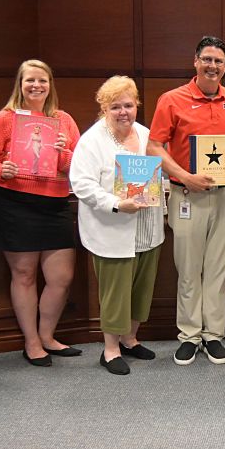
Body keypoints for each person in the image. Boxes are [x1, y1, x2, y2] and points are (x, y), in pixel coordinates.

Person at [147, 36, 225, 366]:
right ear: (195, 61)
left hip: (224, 197)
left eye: (218, 61)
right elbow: (154, 147)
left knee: (217, 267)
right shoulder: (172, 100)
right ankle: (189, 335)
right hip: (186, 193)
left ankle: (213, 334)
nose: (212, 66)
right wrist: (185, 176)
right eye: (207, 59)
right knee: (188, 269)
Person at [0, 60, 81, 366]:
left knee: (61, 277)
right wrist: (0, 169)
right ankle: (32, 341)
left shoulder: (64, 121)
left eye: (42, 81)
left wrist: (64, 151)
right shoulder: (2, 120)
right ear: (20, 85)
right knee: (23, 275)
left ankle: (48, 335)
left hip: (54, 204)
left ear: (51, 85)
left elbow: (74, 164)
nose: (36, 86)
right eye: (30, 81)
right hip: (14, 203)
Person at [69, 76, 165, 376]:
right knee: (115, 291)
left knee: (140, 288)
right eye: (115, 107)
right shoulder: (91, 141)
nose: (123, 112)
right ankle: (110, 349)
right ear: (103, 108)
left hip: (147, 226)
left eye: (128, 105)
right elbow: (81, 185)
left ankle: (130, 339)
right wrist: (115, 203)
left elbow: (162, 169)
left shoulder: (147, 134)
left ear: (137, 105)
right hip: (112, 226)